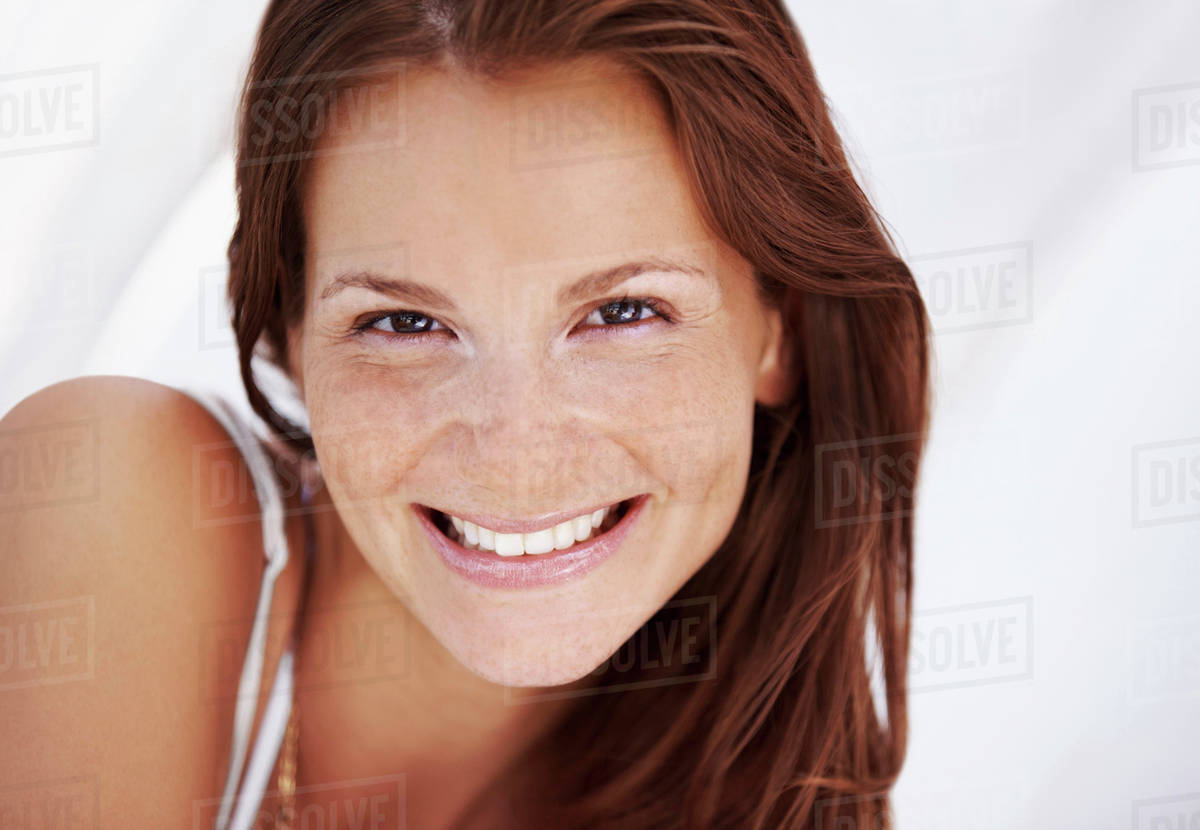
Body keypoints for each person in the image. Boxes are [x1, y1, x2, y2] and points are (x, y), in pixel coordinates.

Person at [0, 0, 930, 827]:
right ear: (286, 333)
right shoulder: (112, 503)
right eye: (403, 323)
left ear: (782, 331)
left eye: (622, 313)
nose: (516, 448)